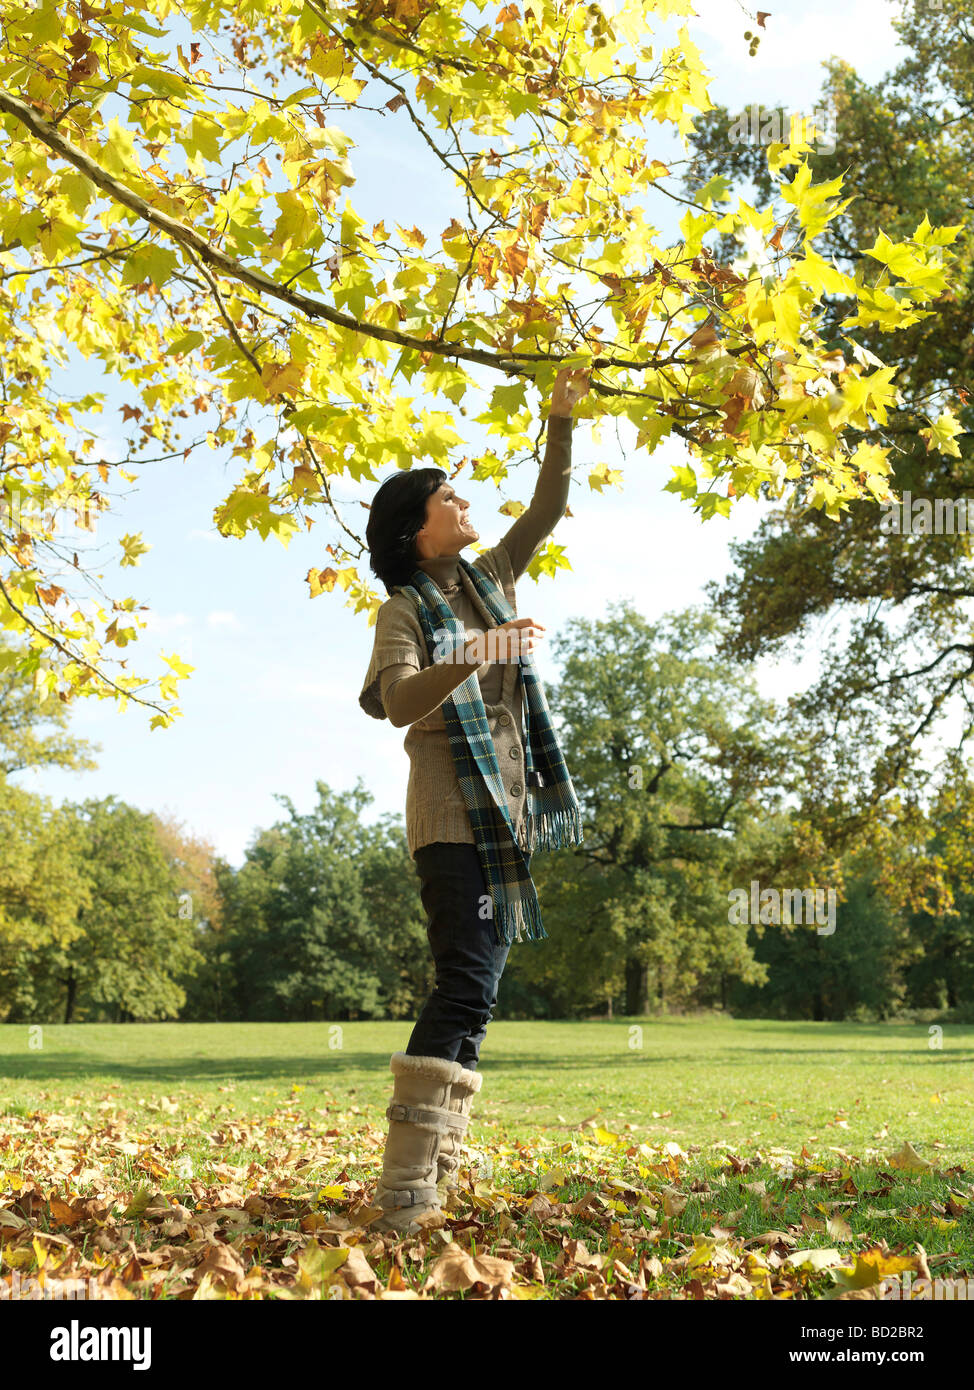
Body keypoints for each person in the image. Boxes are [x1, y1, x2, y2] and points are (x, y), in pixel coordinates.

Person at [358, 364, 590, 1234]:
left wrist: (559, 416)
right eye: (447, 497)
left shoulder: (492, 574)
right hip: (450, 822)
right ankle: (404, 1195)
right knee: (464, 988)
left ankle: (430, 1182)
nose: (465, 502)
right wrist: (482, 648)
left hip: (505, 823)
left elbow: (547, 508)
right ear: (419, 529)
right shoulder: (402, 613)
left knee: (476, 998)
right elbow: (402, 704)